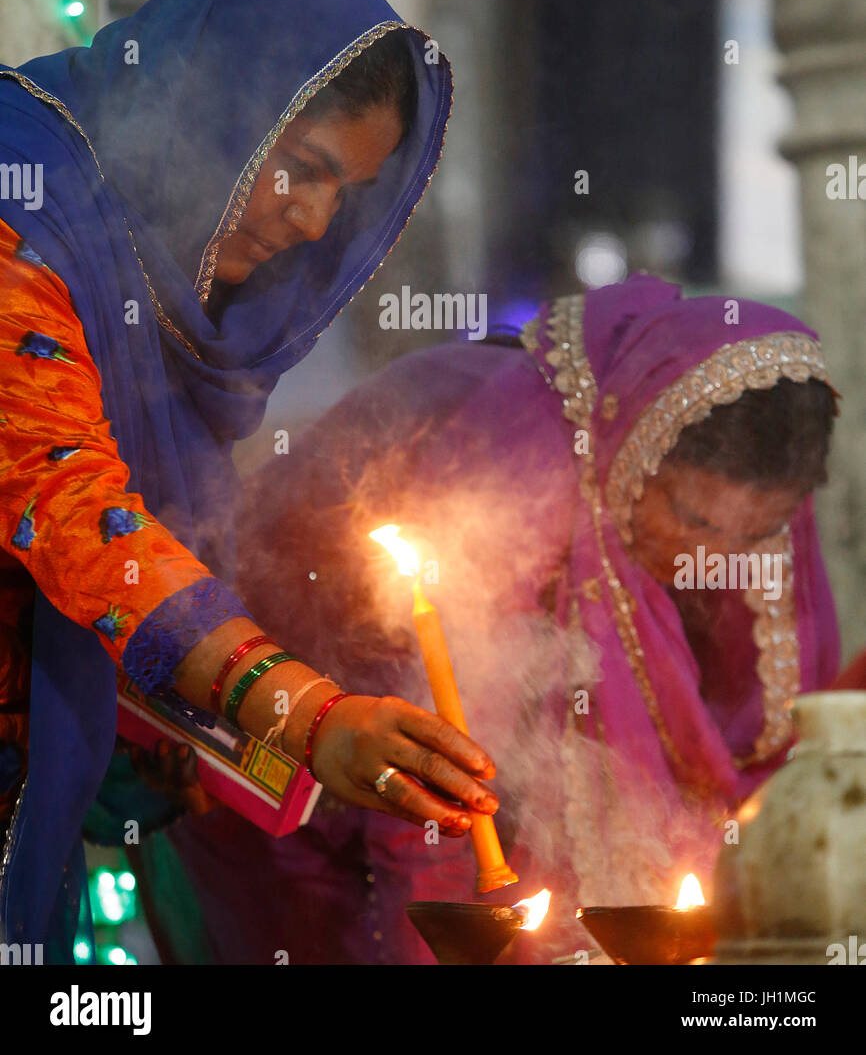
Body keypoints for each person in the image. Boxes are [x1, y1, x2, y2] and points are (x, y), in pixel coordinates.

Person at [0, 0, 501, 963]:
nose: (315, 221)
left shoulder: (158, 306)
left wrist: (164, 742)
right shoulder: (25, 207)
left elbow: (101, 588)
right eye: (303, 169)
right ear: (209, 112)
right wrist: (307, 716)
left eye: (344, 192)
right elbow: (68, 510)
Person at [140, 276, 841, 964]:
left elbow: (741, 758)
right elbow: (433, 770)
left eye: (754, 536)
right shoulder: (511, 465)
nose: (712, 559)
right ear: (636, 448)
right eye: (693, 518)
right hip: (282, 741)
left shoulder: (716, 522)